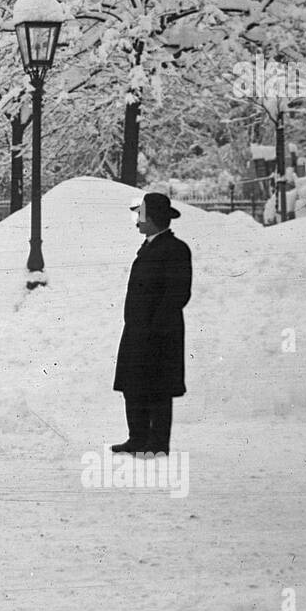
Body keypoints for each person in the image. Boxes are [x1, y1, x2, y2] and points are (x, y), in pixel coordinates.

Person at [112, 192, 192, 456]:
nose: (137, 221)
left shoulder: (175, 249)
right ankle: (137, 438)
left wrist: (155, 327)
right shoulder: (148, 247)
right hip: (137, 331)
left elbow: (177, 294)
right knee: (134, 385)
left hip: (160, 334)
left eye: (142, 216)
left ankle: (157, 443)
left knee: (158, 388)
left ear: (154, 218)